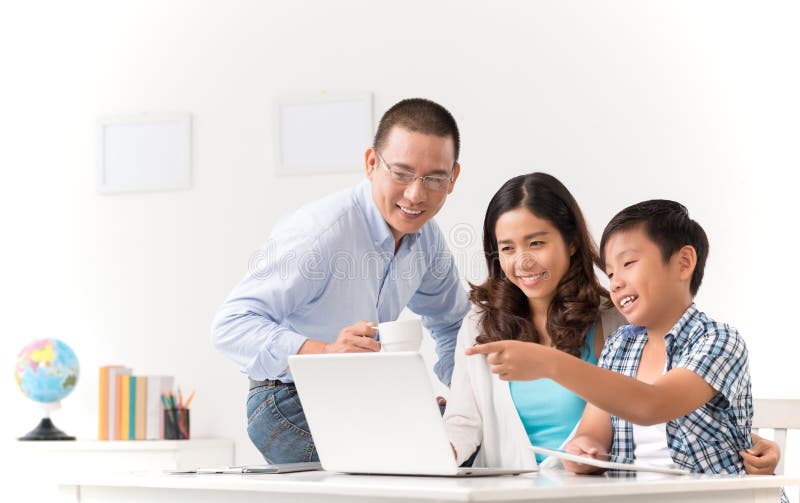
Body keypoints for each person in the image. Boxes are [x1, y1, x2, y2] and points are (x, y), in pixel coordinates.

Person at [446, 174, 779, 474]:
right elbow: (605, 423)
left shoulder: (625, 323)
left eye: (536, 242)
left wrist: (744, 439)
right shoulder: (624, 343)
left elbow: (652, 402)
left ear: (571, 242)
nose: (524, 260)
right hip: (529, 490)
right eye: (507, 248)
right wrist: (586, 447)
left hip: (609, 494)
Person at [212, 98, 470, 464]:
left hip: (363, 398)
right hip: (285, 401)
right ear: (370, 164)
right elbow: (231, 326)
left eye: (434, 179)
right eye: (401, 173)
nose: (416, 194)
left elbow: (452, 325)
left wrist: (464, 400)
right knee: (412, 456)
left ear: (453, 178)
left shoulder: (427, 241)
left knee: (470, 440)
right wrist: (325, 353)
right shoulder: (321, 233)